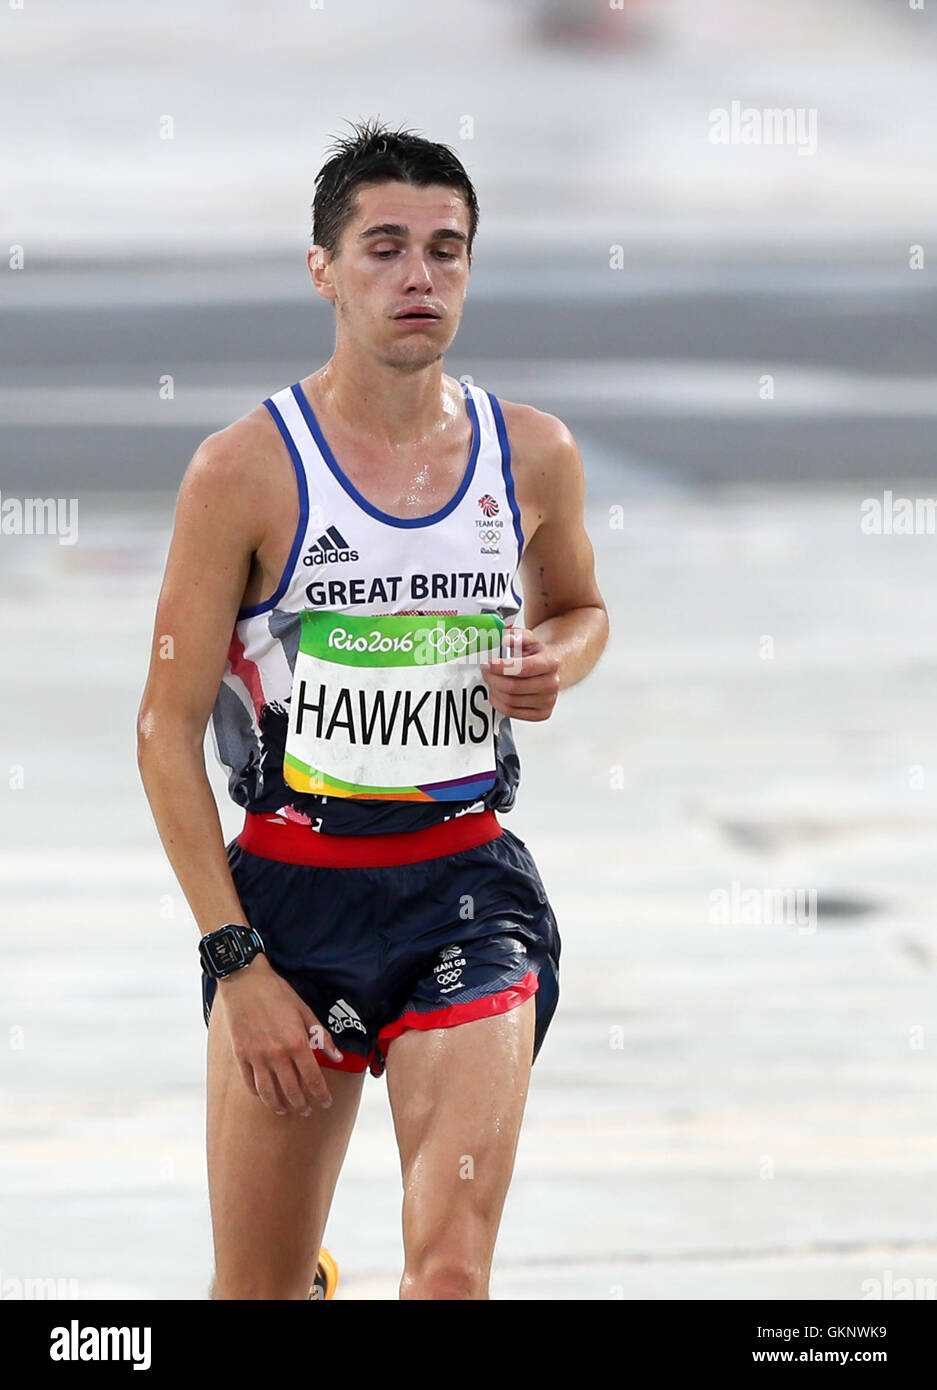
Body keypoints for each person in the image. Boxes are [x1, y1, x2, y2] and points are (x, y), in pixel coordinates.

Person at [136, 118, 609, 1301]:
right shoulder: (244, 468)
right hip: (291, 902)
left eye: (446, 251)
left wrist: (554, 660)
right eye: (385, 248)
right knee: (253, 1288)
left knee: (448, 1272)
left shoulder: (532, 453)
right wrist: (234, 958)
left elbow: (582, 607)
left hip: (468, 891)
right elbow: (162, 729)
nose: (418, 277)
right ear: (323, 270)